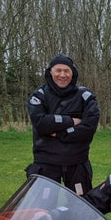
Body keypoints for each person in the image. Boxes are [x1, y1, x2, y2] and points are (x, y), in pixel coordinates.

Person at [26, 54, 100, 195]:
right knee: (44, 208)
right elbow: (41, 123)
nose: (62, 75)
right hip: (46, 163)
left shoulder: (86, 97)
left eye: (66, 71)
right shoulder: (39, 96)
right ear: (50, 72)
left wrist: (60, 133)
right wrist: (71, 121)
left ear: (73, 74)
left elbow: (89, 127)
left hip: (77, 163)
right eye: (58, 70)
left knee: (80, 205)